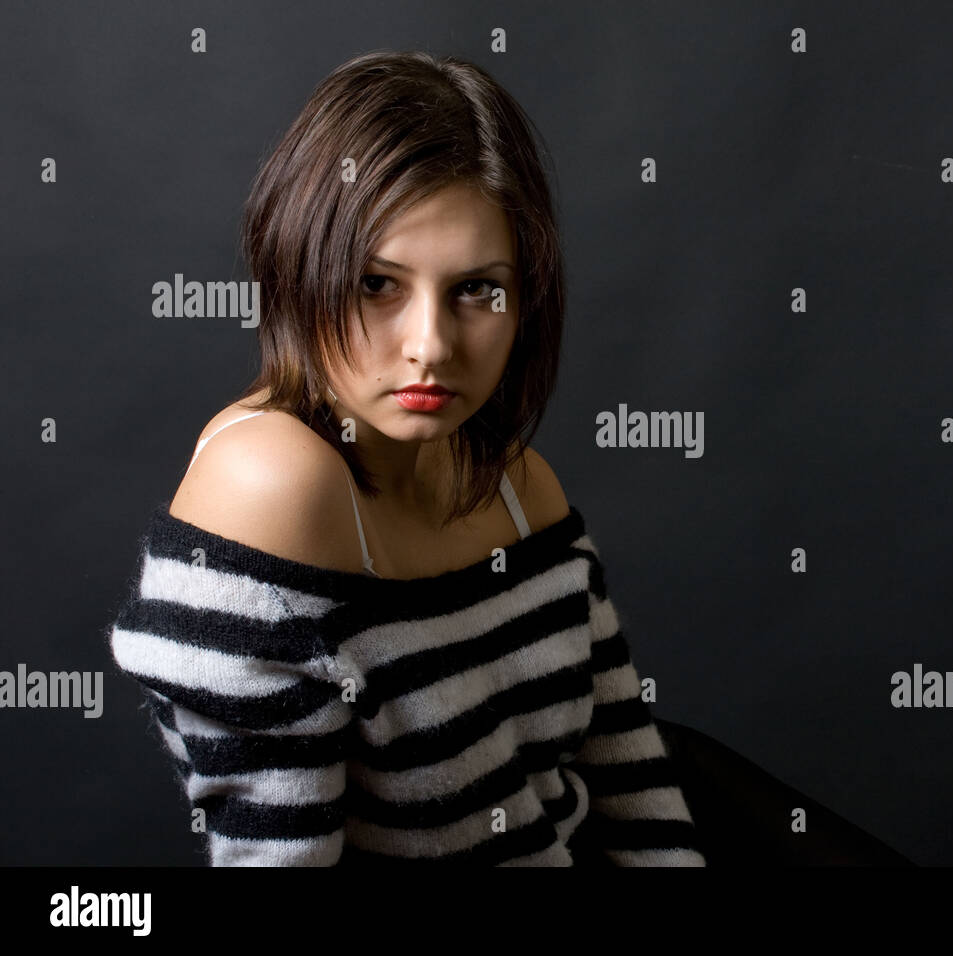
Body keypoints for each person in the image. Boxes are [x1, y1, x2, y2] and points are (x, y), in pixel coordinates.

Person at [107, 50, 705, 866]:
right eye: (376, 284)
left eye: (475, 290)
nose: (430, 347)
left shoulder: (520, 485)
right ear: (297, 267)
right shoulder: (268, 485)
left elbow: (635, 791)